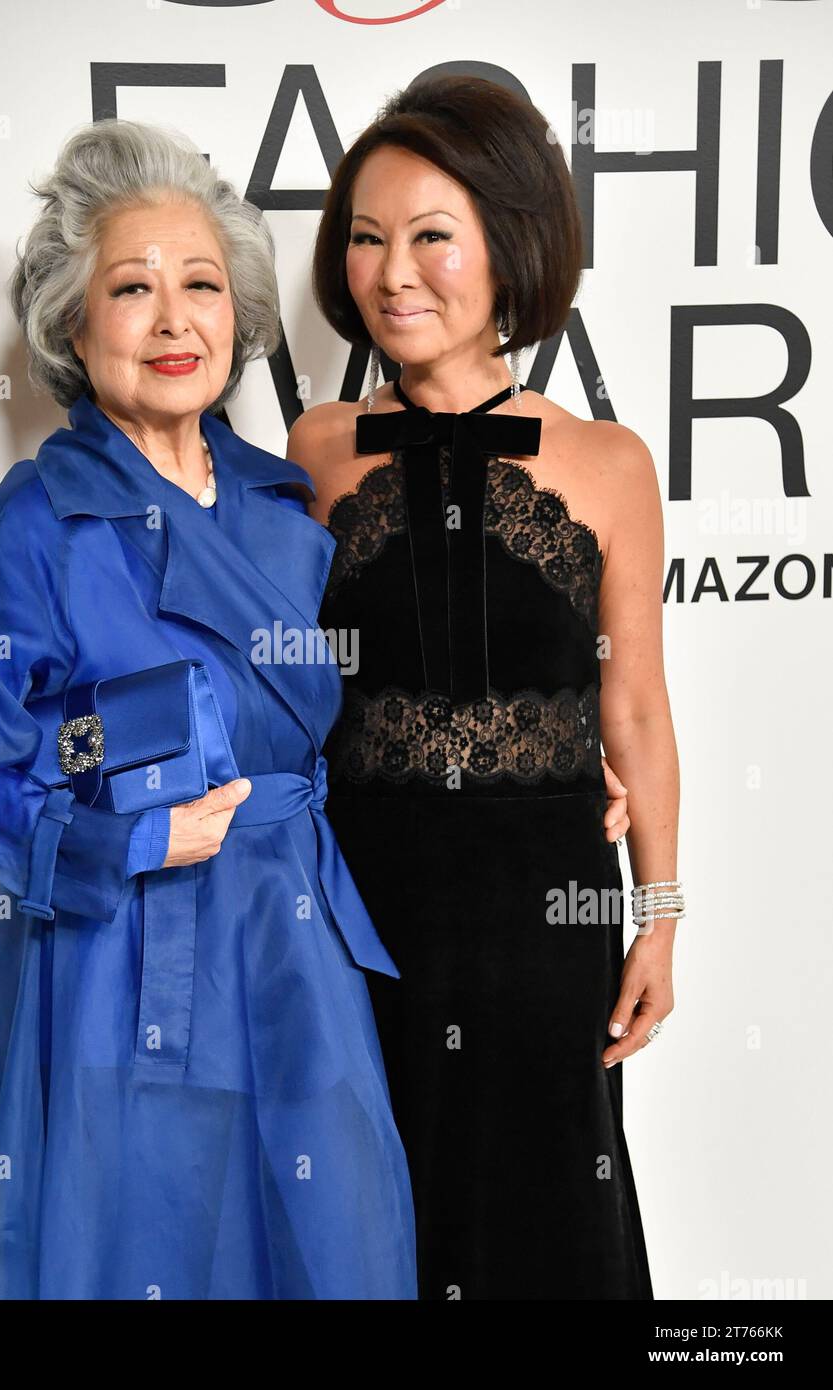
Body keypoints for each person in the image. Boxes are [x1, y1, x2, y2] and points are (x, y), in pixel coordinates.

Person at [0, 117, 417, 1299]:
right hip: (126, 953)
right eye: (133, 289)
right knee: (146, 1246)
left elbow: (332, 717)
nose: (176, 319)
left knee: (335, 1241)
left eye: (202, 284)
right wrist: (121, 830)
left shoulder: (288, 508)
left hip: (292, 939)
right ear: (76, 326)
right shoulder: (38, 518)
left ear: (240, 313)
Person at [288, 75, 679, 1299]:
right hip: (361, 901)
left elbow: (634, 710)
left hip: (546, 910)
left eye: (428, 237)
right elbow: (283, 684)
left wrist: (658, 908)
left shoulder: (609, 463)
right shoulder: (311, 449)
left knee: (552, 1204)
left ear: (509, 245)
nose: (390, 272)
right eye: (363, 238)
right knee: (370, 1207)